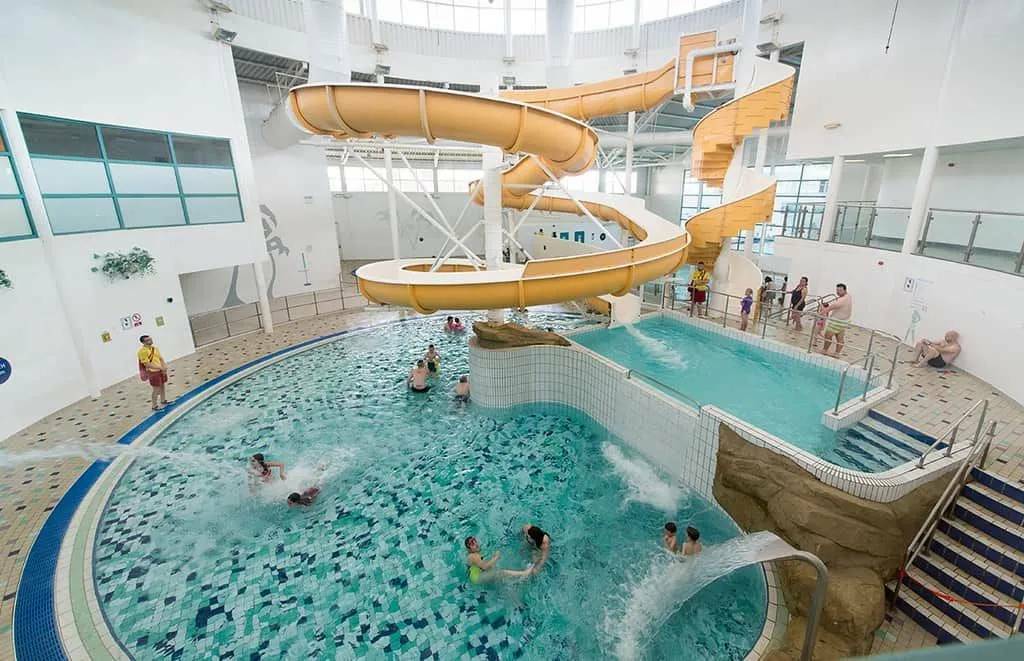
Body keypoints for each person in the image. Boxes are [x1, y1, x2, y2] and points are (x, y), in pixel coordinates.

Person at [464, 536, 532, 584]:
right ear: (469, 549)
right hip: (477, 578)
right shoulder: (473, 556)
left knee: (495, 570)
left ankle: (509, 580)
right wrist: (496, 557)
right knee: (500, 573)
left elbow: (479, 565)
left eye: (474, 541)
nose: (475, 544)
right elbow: (485, 567)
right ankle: (524, 573)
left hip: (478, 572)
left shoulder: (474, 553)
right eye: (472, 544)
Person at [137, 335, 169, 411]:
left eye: (150, 339)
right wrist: (160, 368)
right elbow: (147, 364)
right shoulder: (142, 352)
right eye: (148, 340)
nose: (150, 341)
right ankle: (154, 406)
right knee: (156, 389)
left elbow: (161, 359)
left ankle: (163, 400)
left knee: (162, 386)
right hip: (153, 372)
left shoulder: (155, 348)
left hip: (160, 370)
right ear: (143, 342)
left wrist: (164, 367)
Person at [821, 283, 853, 357]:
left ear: (845, 290)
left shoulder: (841, 300)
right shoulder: (848, 296)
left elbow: (831, 307)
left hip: (836, 322)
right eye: (837, 290)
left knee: (828, 336)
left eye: (840, 290)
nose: (838, 292)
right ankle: (837, 353)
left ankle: (825, 350)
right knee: (840, 337)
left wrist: (821, 312)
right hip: (844, 321)